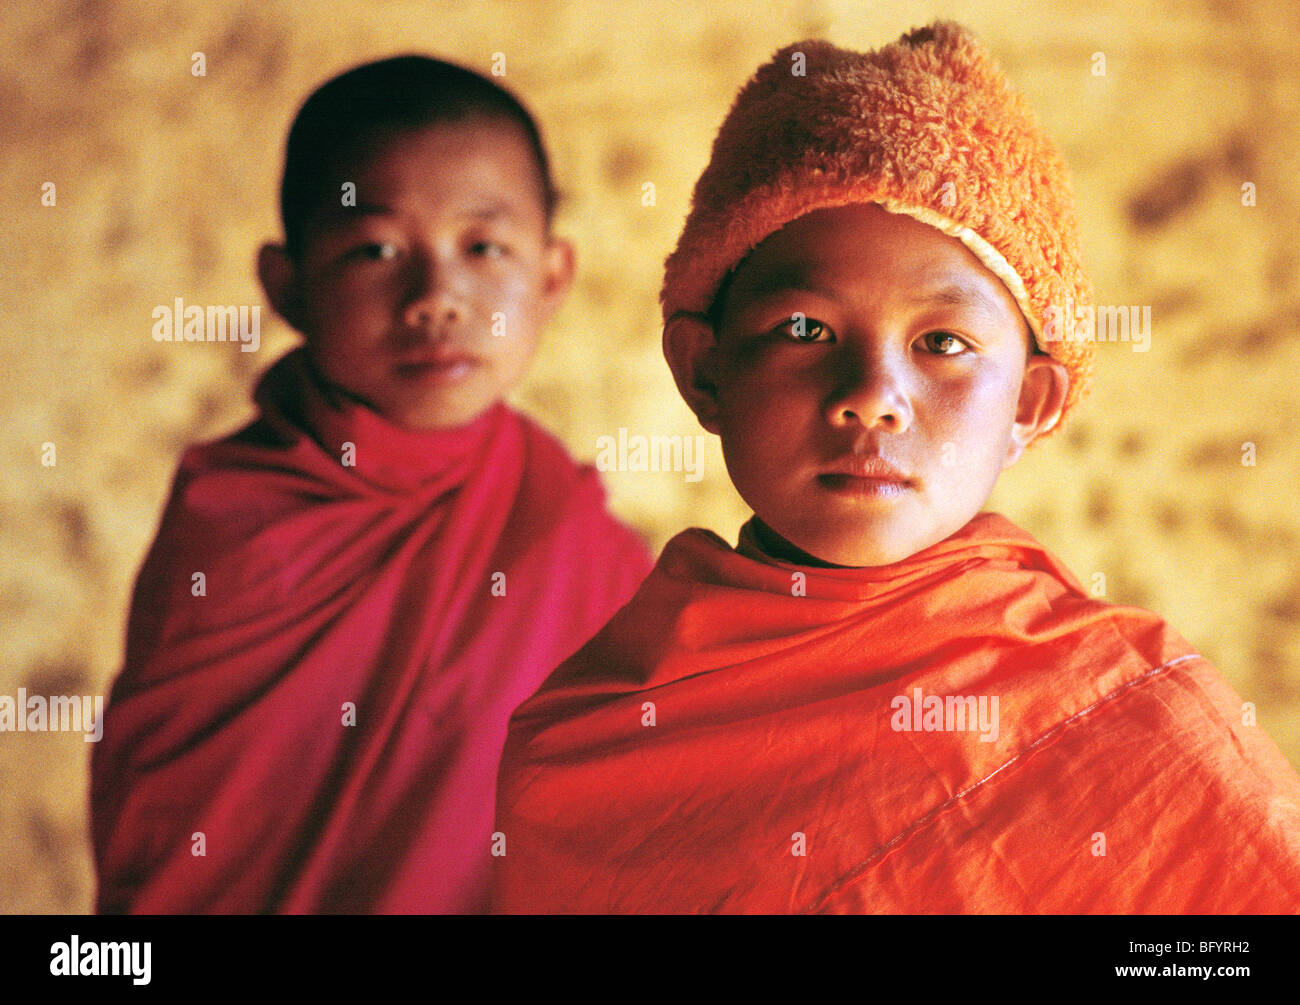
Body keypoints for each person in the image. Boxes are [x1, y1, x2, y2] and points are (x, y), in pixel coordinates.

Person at [491, 22, 1300, 913]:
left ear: (1030, 404)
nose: (872, 395)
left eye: (943, 343)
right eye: (806, 330)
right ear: (704, 371)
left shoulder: (1134, 721)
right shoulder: (591, 747)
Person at [92, 55, 653, 914]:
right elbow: (170, 842)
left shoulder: (562, 524)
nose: (436, 297)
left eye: (484, 246)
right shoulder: (235, 520)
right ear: (288, 286)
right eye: (375, 247)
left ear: (550, 278)